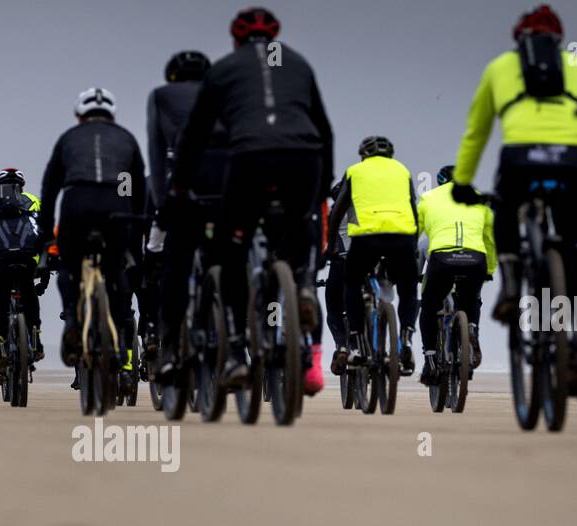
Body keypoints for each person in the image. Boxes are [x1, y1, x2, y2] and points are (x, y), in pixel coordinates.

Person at [168, 7, 333, 388]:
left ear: (235, 40)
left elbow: (195, 135)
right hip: (303, 157)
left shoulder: (223, 69)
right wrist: (322, 184)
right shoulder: (298, 63)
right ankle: (305, 285)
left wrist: (179, 186)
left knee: (231, 250)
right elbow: (325, 129)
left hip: (250, 159)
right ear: (274, 37)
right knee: (300, 225)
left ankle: (237, 350)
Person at [451, 4, 577, 380]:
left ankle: (509, 283)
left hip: (521, 160)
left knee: (505, 209)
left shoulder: (499, 68)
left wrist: (462, 182)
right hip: (574, 162)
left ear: (518, 41)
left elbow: (477, 132)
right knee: (575, 255)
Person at [37, 87, 146, 368]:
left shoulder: (68, 138)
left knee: (68, 266)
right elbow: (140, 191)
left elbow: (49, 190)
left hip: (77, 204)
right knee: (118, 268)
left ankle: (72, 318)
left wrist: (46, 237)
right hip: (116, 206)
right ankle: (122, 338)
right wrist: (135, 245)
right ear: (112, 114)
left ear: (78, 115)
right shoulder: (126, 138)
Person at [146, 51, 232, 381]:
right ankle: (238, 343)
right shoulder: (224, 93)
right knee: (231, 262)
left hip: (184, 185)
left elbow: (156, 151)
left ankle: (169, 350)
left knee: (176, 265)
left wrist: (160, 207)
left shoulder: (161, 97)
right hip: (229, 185)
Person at [327, 136, 420, 377]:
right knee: (409, 289)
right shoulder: (403, 170)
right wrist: (412, 243)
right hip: (401, 236)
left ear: (363, 155)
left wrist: (331, 243)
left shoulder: (355, 171)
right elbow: (413, 206)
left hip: (367, 239)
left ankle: (356, 345)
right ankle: (407, 339)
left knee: (351, 284)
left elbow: (338, 209)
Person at [417, 165, 495, 380]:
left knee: (429, 306)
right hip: (475, 258)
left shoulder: (429, 197)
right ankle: (471, 328)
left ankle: (430, 359)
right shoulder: (479, 198)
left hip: (442, 258)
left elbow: (414, 233)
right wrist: (489, 268)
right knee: (471, 300)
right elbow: (489, 238)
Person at [0, 168, 46, 384]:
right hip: (27, 261)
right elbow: (43, 234)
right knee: (30, 298)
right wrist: (43, 267)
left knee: (0, 306)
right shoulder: (32, 201)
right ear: (21, 185)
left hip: (0, 263)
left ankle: (1, 346)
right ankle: (36, 340)